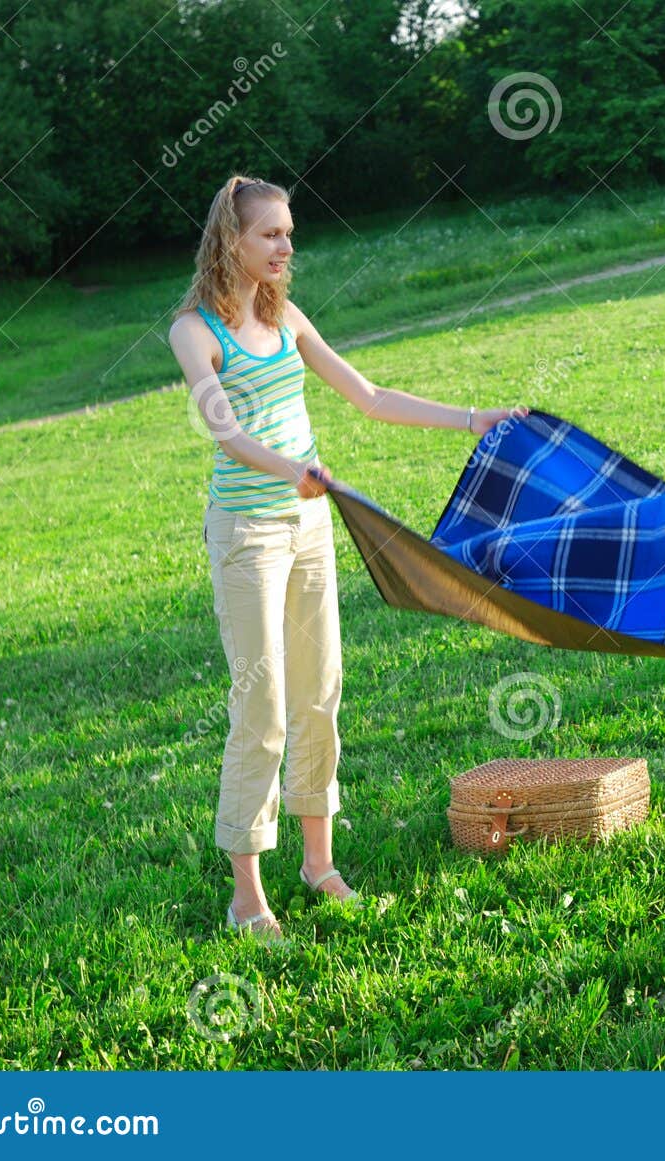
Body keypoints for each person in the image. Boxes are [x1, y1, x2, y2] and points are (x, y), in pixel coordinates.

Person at [167, 174, 528, 942]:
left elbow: (369, 395)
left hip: (309, 527)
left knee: (320, 693)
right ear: (231, 239)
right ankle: (246, 896)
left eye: (289, 234)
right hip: (248, 534)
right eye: (270, 234)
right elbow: (223, 427)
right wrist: (288, 469)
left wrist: (475, 419)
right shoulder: (194, 331)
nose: (285, 247)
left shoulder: (286, 318)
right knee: (261, 710)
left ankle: (318, 863)